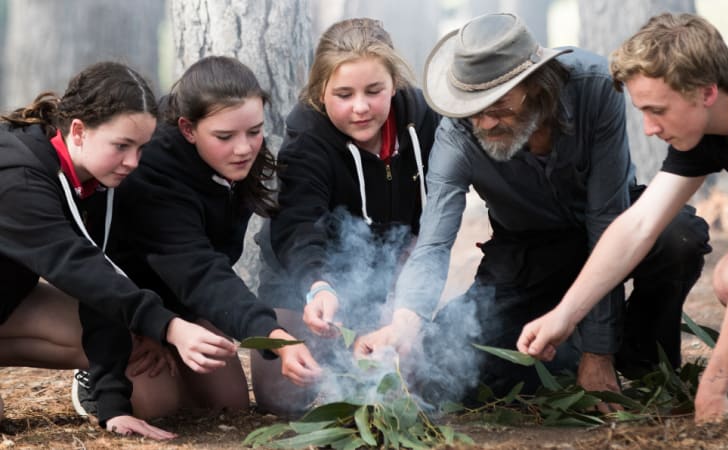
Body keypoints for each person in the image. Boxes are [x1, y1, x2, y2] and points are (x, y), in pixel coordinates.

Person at [354, 12, 711, 404]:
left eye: (499, 106)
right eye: (473, 109)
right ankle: (567, 347)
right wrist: (405, 322)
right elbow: (434, 242)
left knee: (678, 236)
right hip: (527, 252)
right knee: (449, 373)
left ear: (536, 85)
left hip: (615, 226)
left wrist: (600, 352)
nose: (485, 123)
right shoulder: (457, 133)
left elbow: (606, 221)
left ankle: (642, 359)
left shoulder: (594, 88)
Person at [517, 12, 728, 424]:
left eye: (657, 111)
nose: (649, 129)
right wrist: (565, 315)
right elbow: (638, 225)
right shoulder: (711, 118)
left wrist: (714, 389)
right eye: (643, 112)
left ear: (706, 91)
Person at [76, 56, 321, 423]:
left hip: (183, 301)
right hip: (126, 303)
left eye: (254, 131)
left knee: (228, 405)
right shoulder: (155, 171)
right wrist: (274, 336)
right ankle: (92, 372)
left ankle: (171, 353)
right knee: (157, 406)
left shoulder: (235, 162)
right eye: (225, 137)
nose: (244, 148)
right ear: (188, 129)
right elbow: (198, 270)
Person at [0, 61, 237, 440]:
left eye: (141, 147)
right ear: (79, 131)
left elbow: (100, 282)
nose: (133, 162)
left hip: (10, 303)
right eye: (122, 146)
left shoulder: (96, 178)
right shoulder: (18, 179)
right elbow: (77, 266)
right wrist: (170, 326)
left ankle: (93, 391)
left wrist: (114, 407)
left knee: (128, 342)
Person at [253, 17, 440, 415]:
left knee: (410, 388)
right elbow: (298, 225)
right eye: (343, 94)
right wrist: (318, 286)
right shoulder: (307, 137)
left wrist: (404, 298)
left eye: (374, 90)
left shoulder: (422, 121)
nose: (360, 107)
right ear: (321, 91)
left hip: (390, 285)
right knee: (282, 399)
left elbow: (436, 214)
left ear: (394, 83)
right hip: (305, 284)